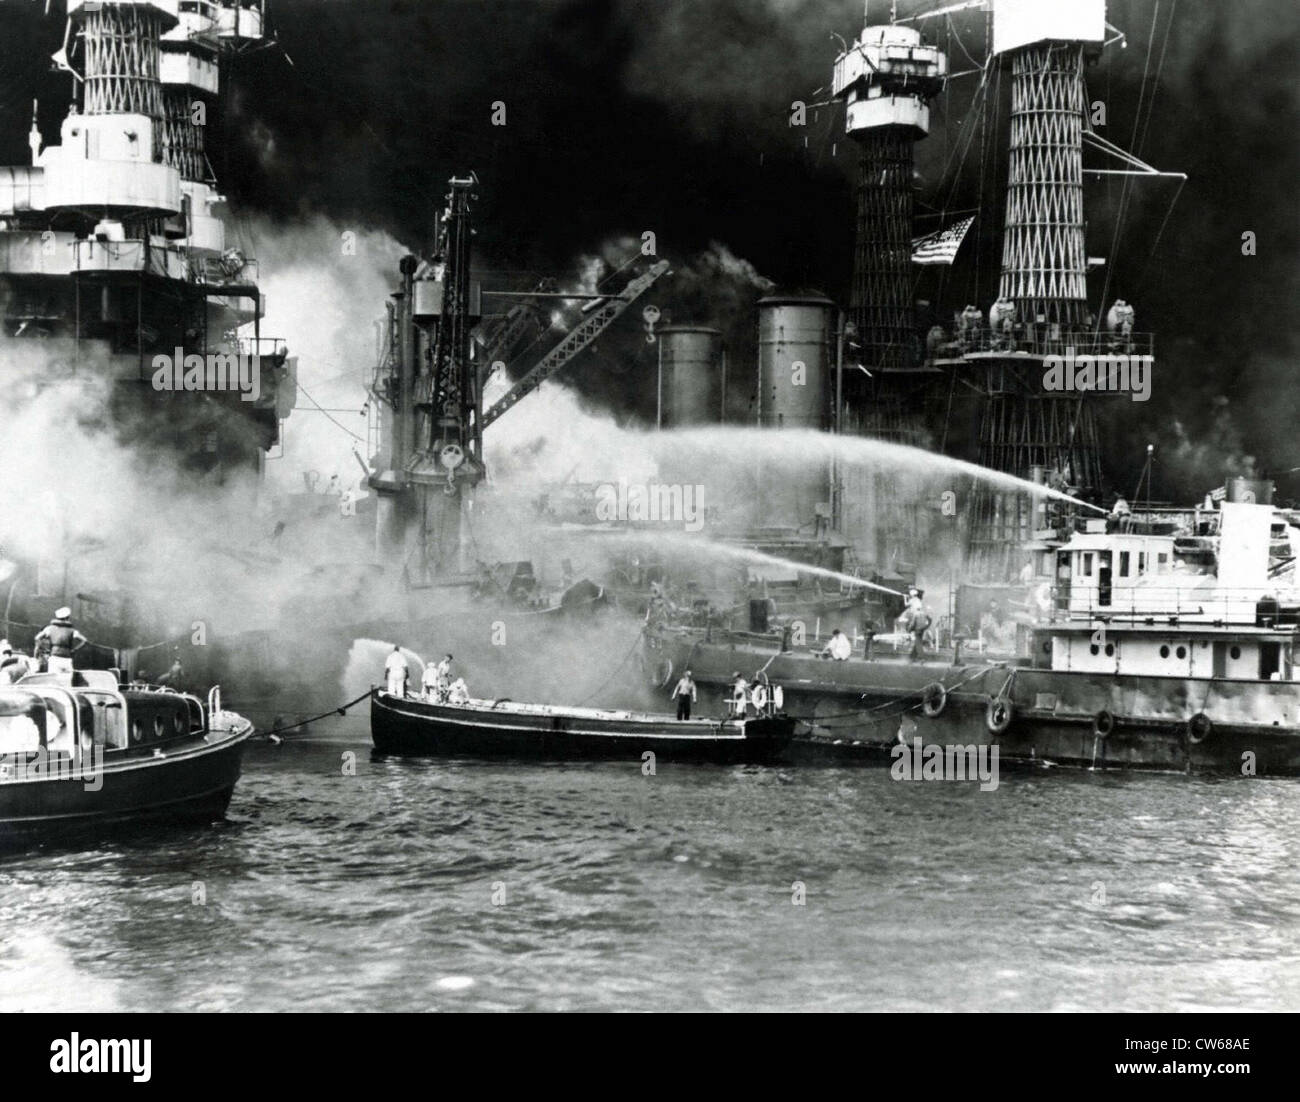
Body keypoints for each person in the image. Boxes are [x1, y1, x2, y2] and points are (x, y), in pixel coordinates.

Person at [34, 607, 87, 675]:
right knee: (68, 680)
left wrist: (45, 648)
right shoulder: (72, 630)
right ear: (67, 618)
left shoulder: (50, 628)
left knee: (54, 679)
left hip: (54, 658)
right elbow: (84, 641)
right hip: (67, 658)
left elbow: (37, 638)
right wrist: (74, 649)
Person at [897, 588, 931, 662]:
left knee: (918, 643)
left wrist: (904, 597)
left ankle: (921, 657)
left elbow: (906, 605)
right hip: (922, 627)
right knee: (917, 641)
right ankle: (912, 657)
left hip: (916, 626)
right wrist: (926, 626)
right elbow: (928, 619)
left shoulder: (912, 602)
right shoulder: (919, 602)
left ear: (911, 595)